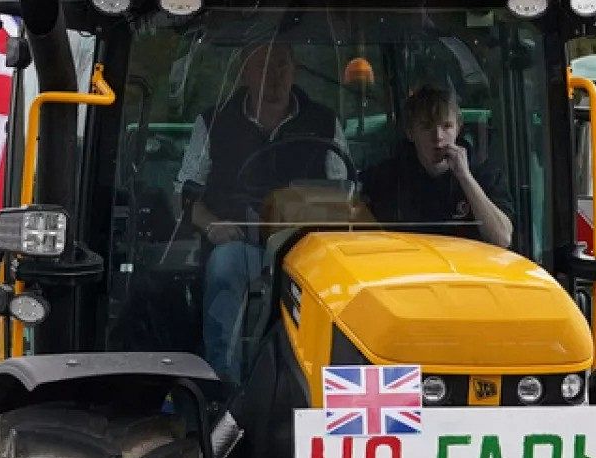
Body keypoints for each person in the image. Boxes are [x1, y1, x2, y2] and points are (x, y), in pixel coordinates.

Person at [174, 41, 348, 382]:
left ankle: (316, 383)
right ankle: (223, 387)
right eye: (263, 66)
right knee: (224, 267)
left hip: (305, 249)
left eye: (282, 64)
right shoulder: (214, 121)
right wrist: (212, 225)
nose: (274, 74)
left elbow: (344, 193)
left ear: (295, 70)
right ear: (245, 74)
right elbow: (185, 190)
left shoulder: (324, 121)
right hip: (239, 242)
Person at [358, 85, 513, 248]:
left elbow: (502, 238)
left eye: (446, 126)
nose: (438, 137)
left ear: (458, 129)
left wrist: (465, 178)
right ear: (411, 132)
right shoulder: (388, 176)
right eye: (427, 127)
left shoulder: (483, 173)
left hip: (468, 270)